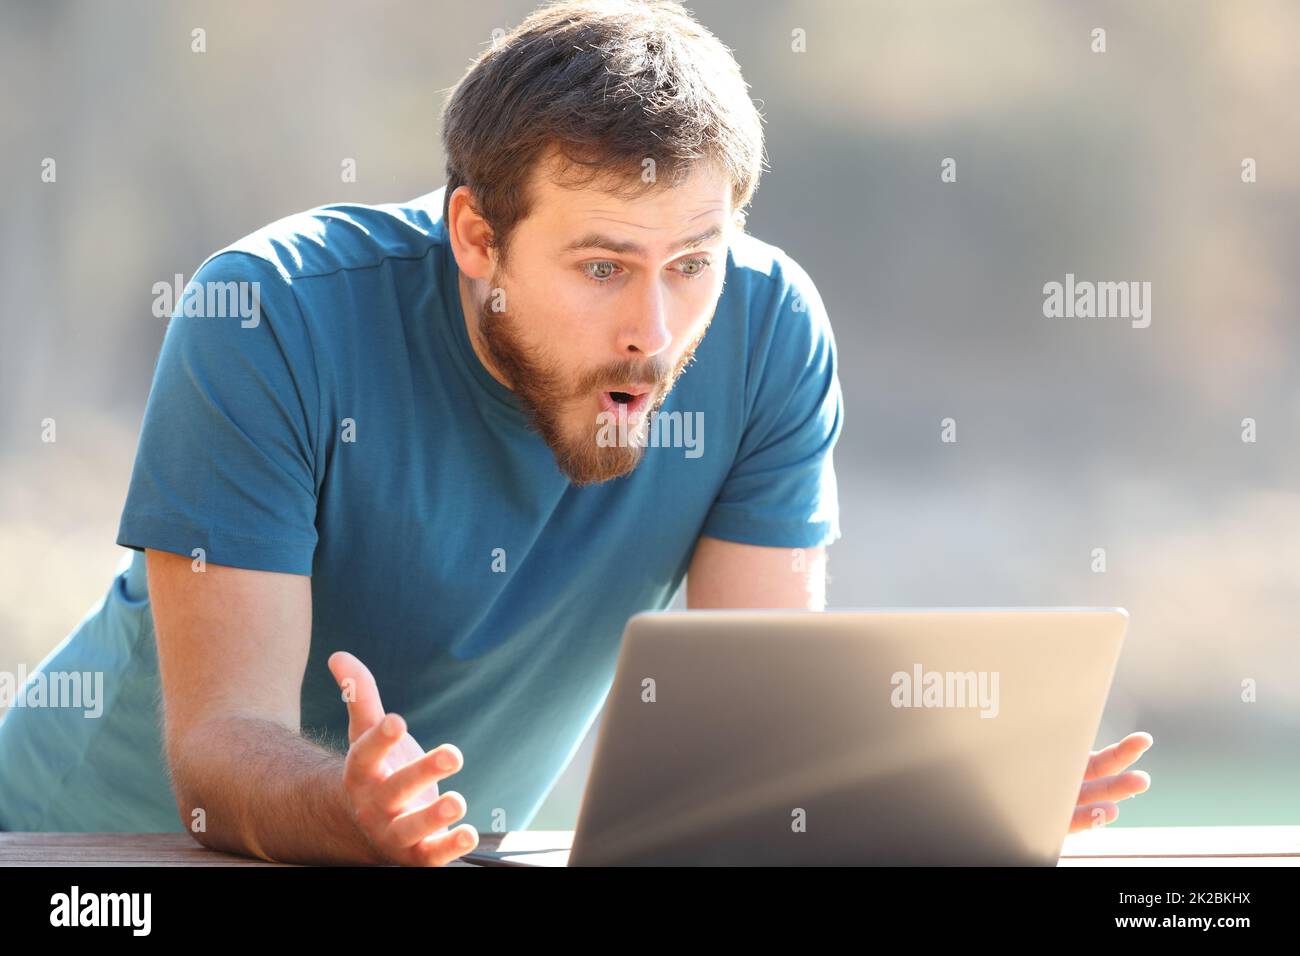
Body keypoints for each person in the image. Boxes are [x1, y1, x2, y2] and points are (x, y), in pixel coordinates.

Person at [0, 0, 1150, 865]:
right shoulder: (265, 313)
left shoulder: (767, 328)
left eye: (691, 263)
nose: (653, 331)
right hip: (80, 854)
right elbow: (217, 750)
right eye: (602, 265)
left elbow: (758, 718)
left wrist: (940, 801)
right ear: (475, 235)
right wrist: (352, 808)